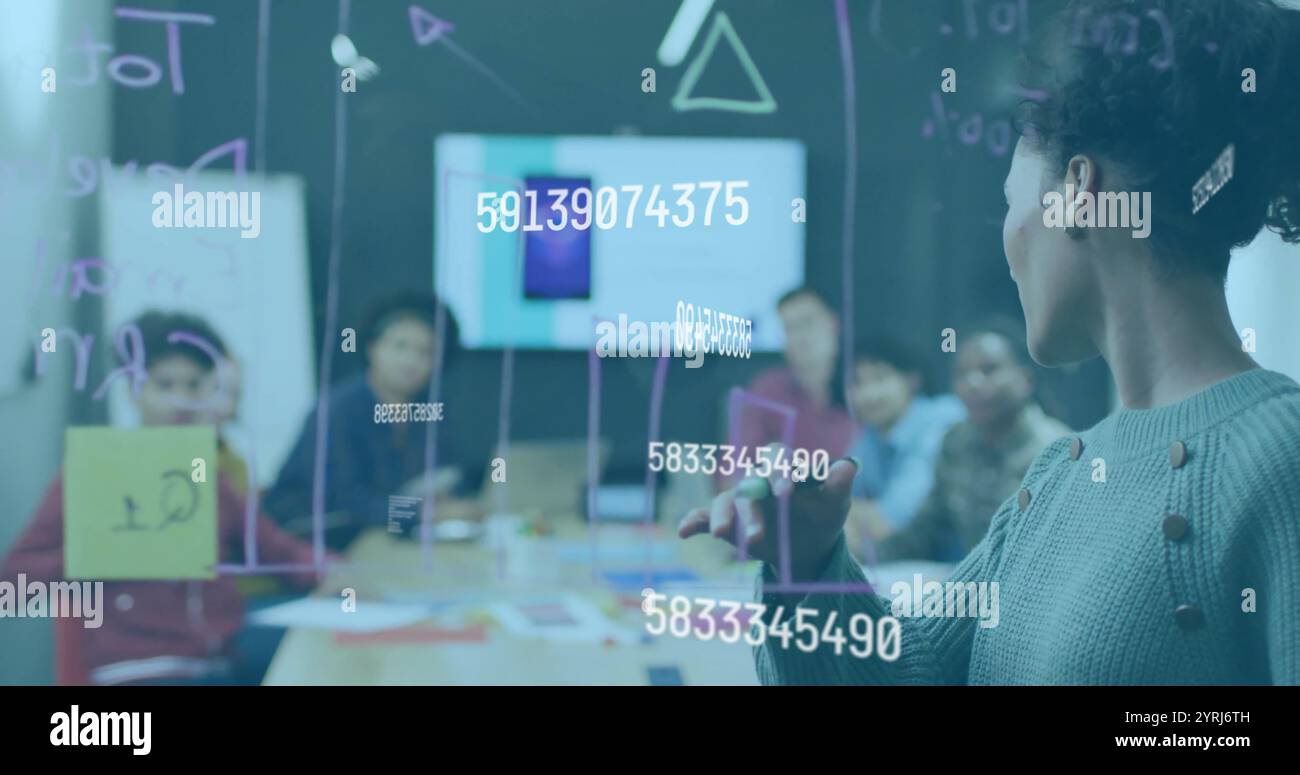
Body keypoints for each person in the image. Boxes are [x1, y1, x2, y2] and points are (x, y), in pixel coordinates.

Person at [679, 0, 1300, 684]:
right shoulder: (1059, 475)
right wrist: (806, 565)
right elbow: (904, 674)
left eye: (1011, 201)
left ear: (1078, 192)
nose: (1009, 248)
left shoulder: (1281, 459)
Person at [1, 311, 318, 685]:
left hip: (220, 656)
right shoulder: (93, 472)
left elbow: (276, 549)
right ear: (135, 390)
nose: (181, 401)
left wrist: (336, 572)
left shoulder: (207, 474)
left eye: (194, 386)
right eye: (164, 385)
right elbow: (11, 587)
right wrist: (94, 554)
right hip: (140, 670)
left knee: (326, 654)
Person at [263, 292, 480, 549]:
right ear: (372, 347)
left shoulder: (429, 409)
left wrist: (450, 502)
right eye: (399, 346)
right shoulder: (337, 411)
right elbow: (346, 502)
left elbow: (440, 475)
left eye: (426, 352)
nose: (411, 361)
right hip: (311, 545)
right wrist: (423, 513)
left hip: (382, 540)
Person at [875, 319, 1071, 563]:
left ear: (1025, 380)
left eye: (989, 370)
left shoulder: (1057, 451)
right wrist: (859, 560)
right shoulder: (955, 442)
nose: (973, 383)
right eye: (962, 374)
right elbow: (925, 531)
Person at [843, 339, 965, 558]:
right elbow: (833, 499)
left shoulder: (938, 423)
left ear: (911, 380)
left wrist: (847, 516)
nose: (868, 394)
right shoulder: (870, 437)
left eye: (880, 378)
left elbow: (890, 522)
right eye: (857, 383)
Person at [730, 288, 854, 486]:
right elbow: (734, 471)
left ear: (833, 323)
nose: (801, 336)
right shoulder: (767, 391)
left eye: (807, 323)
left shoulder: (862, 383)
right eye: (790, 328)